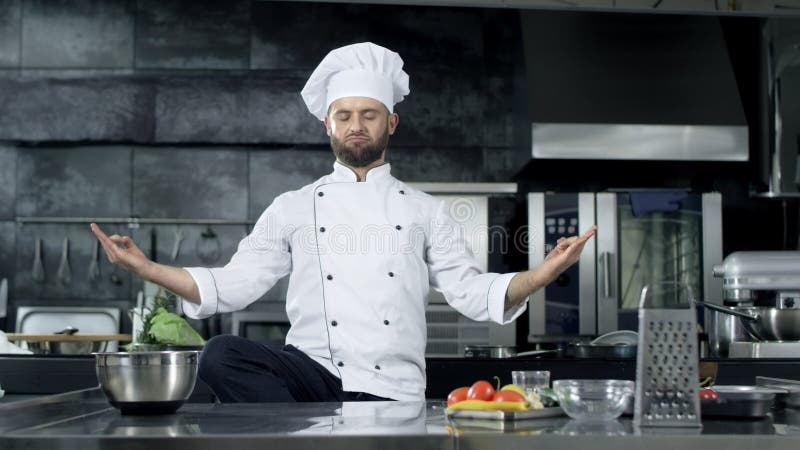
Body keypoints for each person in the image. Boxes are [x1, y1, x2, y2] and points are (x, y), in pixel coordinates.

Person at [91, 42, 596, 403]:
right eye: (345, 115)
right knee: (222, 354)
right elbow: (232, 285)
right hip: (310, 375)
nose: (357, 125)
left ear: (390, 122)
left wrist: (542, 274)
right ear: (327, 125)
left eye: (369, 114)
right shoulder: (292, 206)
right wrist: (149, 268)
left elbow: (470, 292)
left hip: (391, 389)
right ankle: (296, 433)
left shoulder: (425, 209)